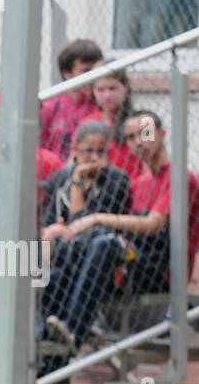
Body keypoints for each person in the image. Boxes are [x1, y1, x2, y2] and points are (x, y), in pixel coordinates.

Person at [40, 111, 199, 354]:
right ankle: (51, 359)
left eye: (145, 133)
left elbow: (151, 224)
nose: (138, 142)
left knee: (106, 243)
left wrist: (94, 218)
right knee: (57, 276)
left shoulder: (180, 177)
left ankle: (74, 329)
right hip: (121, 267)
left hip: (159, 271)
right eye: (130, 137)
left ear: (162, 135)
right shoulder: (138, 183)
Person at [40, 38, 103, 160]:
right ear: (67, 74)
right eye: (86, 71)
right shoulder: (51, 108)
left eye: (97, 71)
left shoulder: (103, 105)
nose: (94, 77)